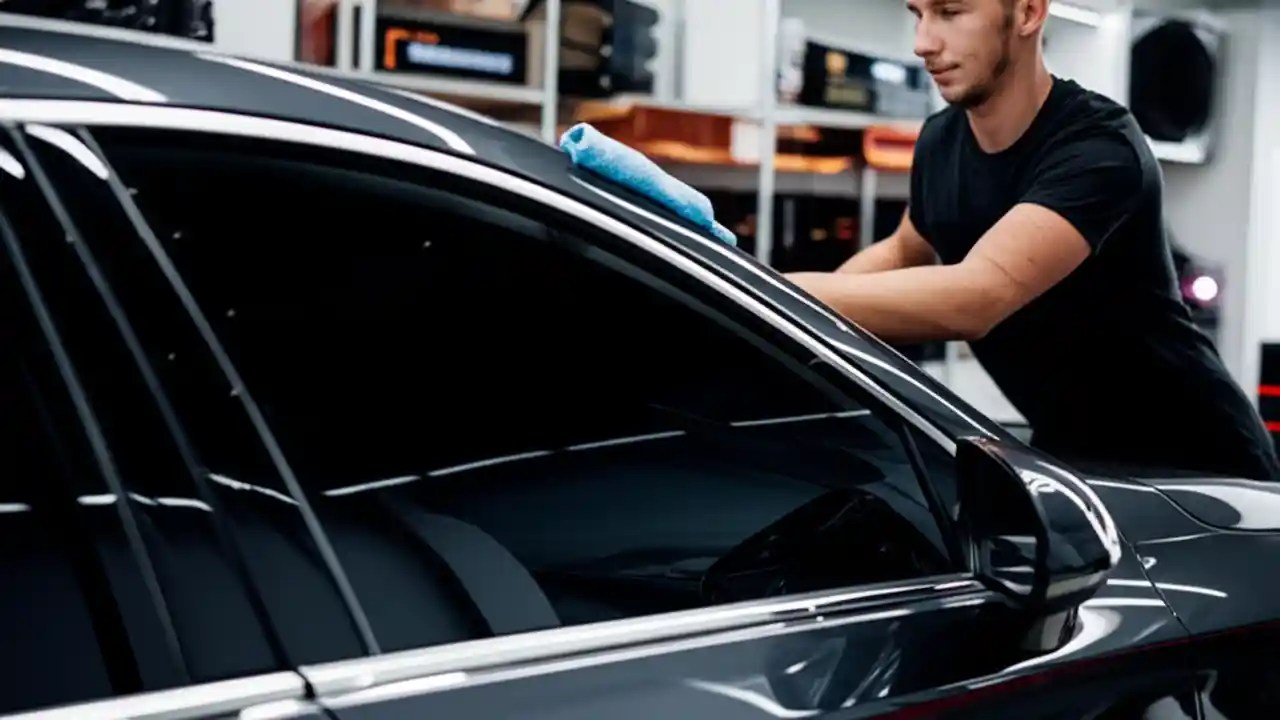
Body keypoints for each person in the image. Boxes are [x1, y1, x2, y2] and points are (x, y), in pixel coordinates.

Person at [784, 0, 1280, 481]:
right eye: (918, 15)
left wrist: (768, 289)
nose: (922, 43)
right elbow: (904, 250)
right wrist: (769, 314)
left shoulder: (1099, 146)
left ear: (1028, 12)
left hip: (1201, 467)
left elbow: (976, 298)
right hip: (1075, 455)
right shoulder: (940, 140)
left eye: (950, 13)